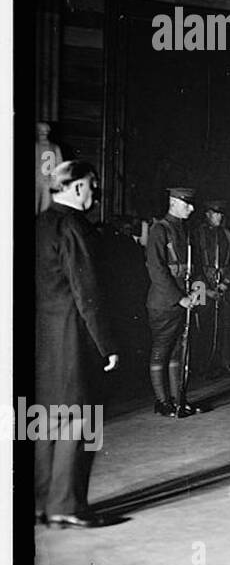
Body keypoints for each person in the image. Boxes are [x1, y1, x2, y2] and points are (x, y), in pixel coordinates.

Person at [35, 161, 121, 527]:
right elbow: (88, 294)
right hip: (72, 340)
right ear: (74, 188)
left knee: (42, 423)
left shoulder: (38, 224)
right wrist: (107, 344)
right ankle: (67, 506)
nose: (94, 192)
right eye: (91, 185)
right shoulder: (74, 226)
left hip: (41, 342)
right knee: (79, 420)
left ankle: (40, 503)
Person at [144, 186, 206, 418]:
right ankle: (162, 402)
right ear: (173, 203)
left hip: (185, 301)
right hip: (164, 303)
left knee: (180, 352)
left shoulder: (185, 230)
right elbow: (157, 270)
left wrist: (196, 297)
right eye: (186, 203)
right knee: (162, 350)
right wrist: (179, 298)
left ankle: (180, 400)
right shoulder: (160, 230)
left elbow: (195, 267)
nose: (191, 208)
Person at [195, 198, 230, 380]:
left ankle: (224, 364)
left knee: (224, 324)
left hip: (222, 285)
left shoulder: (228, 235)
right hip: (200, 286)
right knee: (202, 325)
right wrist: (205, 289)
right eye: (216, 213)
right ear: (208, 214)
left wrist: (226, 283)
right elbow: (195, 264)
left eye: (221, 214)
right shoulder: (197, 234)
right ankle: (203, 366)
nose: (219, 217)